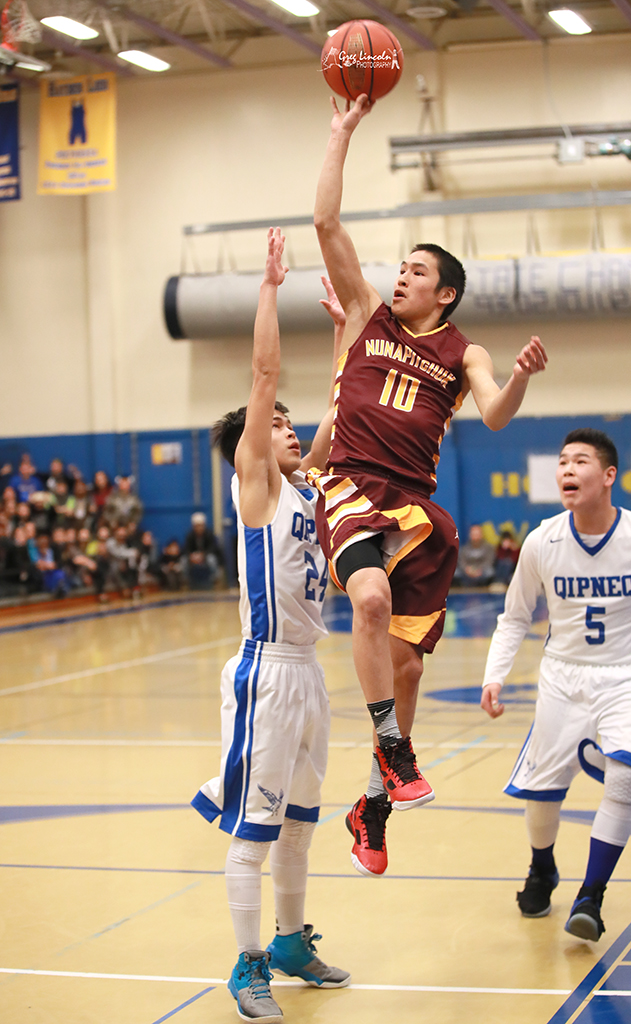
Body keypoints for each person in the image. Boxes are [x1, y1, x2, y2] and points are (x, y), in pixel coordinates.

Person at [311, 92, 548, 877]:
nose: (400, 276)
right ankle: (392, 747)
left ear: (444, 291)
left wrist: (513, 377)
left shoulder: (460, 349)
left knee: (408, 664)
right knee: (369, 602)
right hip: (349, 484)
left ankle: (371, 808)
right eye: (400, 268)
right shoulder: (366, 316)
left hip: (414, 507)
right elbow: (326, 225)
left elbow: (497, 417)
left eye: (416, 270)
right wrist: (340, 132)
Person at [191, 229, 348, 1023]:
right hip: (264, 670)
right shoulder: (256, 484)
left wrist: (344, 331)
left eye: (290, 424)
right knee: (253, 832)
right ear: (251, 444)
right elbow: (262, 374)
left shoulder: (307, 488)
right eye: (277, 423)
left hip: (308, 672)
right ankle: (246, 964)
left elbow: (341, 414)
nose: (289, 428)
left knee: (300, 824)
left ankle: (289, 942)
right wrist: (267, 287)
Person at [481, 428, 631, 941]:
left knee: (622, 780)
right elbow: (515, 615)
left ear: (609, 475)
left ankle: (591, 895)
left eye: (580, 462)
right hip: (563, 676)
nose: (567, 470)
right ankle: (542, 865)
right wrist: (495, 675)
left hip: (629, 673)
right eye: (563, 462)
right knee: (543, 790)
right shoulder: (542, 540)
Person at [183, 511, 223, 589]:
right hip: (194, 557)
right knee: (183, 561)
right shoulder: (189, 535)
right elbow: (186, 548)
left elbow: (213, 548)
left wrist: (203, 555)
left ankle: (215, 580)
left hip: (206, 556)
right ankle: (186, 581)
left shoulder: (209, 534)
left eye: (201, 525)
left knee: (212, 560)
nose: (199, 528)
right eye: (197, 526)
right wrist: (192, 556)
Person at [453, 523, 496, 587]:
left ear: (481, 534)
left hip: (482, 572)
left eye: (477, 534)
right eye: (474, 534)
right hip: (467, 573)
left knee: (490, 572)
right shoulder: (464, 549)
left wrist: (479, 570)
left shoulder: (488, 548)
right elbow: (461, 561)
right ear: (470, 535)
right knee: (455, 573)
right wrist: (467, 570)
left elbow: (489, 561)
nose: (475, 536)